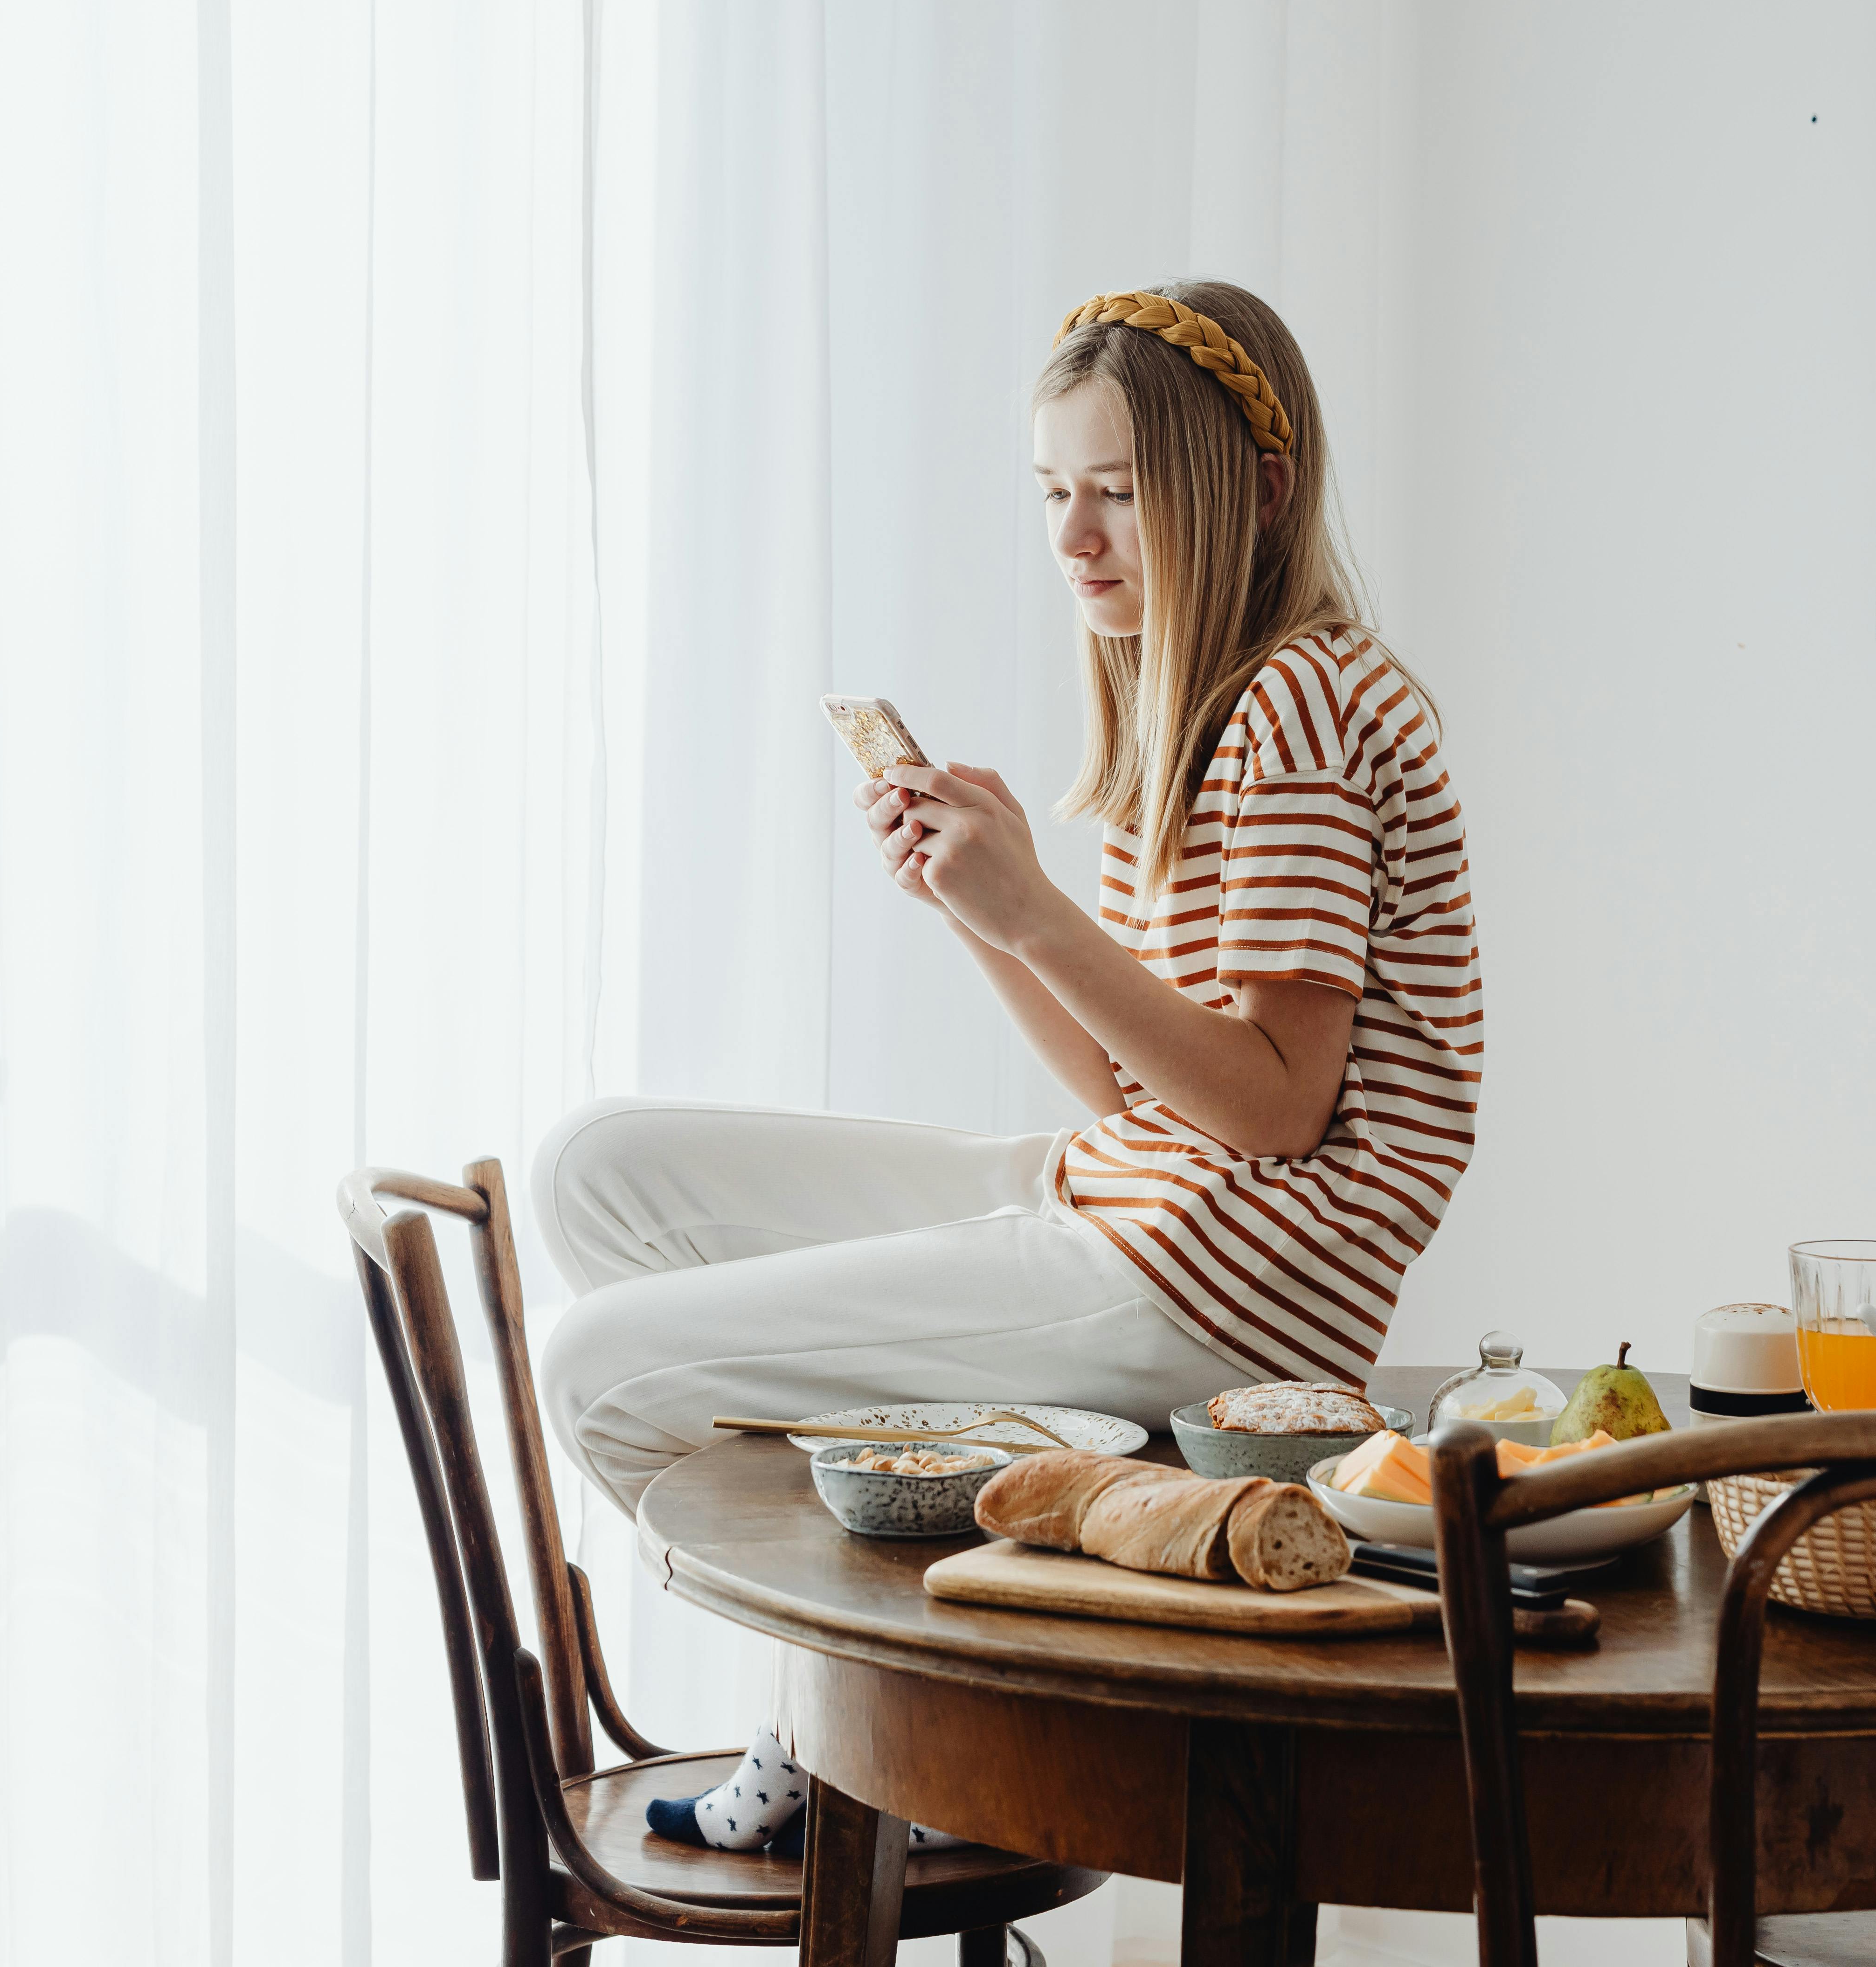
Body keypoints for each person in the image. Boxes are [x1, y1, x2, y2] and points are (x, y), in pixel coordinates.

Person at [533, 280, 1482, 1521]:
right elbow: (1127, 1091)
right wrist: (978, 908)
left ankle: (845, 1668)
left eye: (1121, 493)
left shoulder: (1301, 706)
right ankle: (886, 1565)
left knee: (595, 1364)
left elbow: (1277, 1113)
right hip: (1136, 1193)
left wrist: (1033, 908)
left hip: (1230, 1282)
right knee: (599, 1171)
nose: (1074, 538)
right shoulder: (1193, 709)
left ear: (1257, 491)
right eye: (1054, 491)